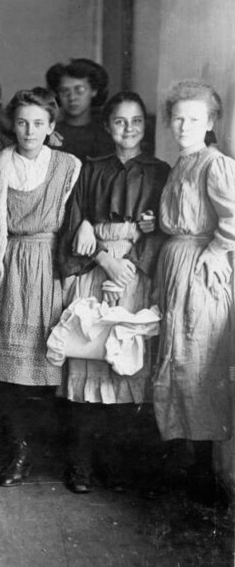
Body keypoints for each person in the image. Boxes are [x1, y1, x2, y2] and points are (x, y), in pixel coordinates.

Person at [0, 88, 81, 487]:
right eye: (22, 122)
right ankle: (6, 446)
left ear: (52, 127)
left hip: (50, 268)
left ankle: (28, 451)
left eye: (38, 123)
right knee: (7, 371)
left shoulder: (68, 166)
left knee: (45, 367)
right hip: (7, 267)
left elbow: (80, 213)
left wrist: (82, 224)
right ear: (11, 125)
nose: (29, 130)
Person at [58, 92, 170, 494]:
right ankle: (81, 464)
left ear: (145, 126)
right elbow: (73, 221)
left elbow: (166, 230)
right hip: (97, 269)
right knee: (90, 360)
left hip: (135, 276)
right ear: (107, 126)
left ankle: (117, 466)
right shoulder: (92, 169)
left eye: (136, 121)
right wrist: (104, 258)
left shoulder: (160, 171)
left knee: (127, 365)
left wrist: (132, 265)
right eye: (120, 122)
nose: (128, 129)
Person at [153, 80, 234, 503]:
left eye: (195, 119)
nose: (184, 125)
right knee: (175, 358)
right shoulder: (182, 162)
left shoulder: (214, 163)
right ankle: (184, 459)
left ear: (210, 123)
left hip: (200, 272)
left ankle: (205, 473)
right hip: (175, 265)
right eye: (178, 118)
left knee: (198, 362)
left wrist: (218, 252)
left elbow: (233, 216)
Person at [45, 58, 113, 162]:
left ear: (94, 90)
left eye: (79, 90)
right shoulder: (48, 134)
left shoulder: (108, 133)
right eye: (64, 91)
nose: (72, 97)